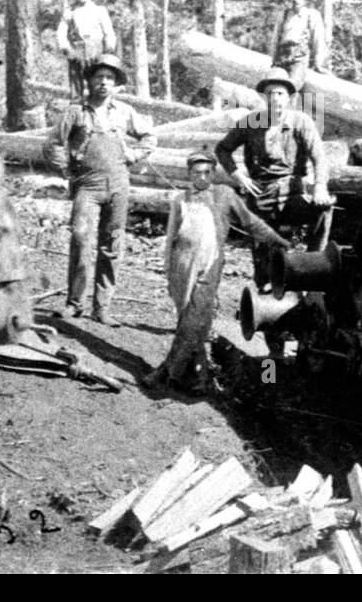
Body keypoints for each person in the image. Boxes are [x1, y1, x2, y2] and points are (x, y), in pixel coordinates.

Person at [143, 151, 292, 394]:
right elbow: (171, 236)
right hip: (182, 263)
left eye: (207, 172)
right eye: (196, 172)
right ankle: (201, 377)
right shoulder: (181, 199)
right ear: (188, 174)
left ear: (213, 173)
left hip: (210, 263)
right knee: (190, 319)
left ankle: (167, 371)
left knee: (195, 315)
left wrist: (278, 240)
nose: (202, 177)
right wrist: (167, 268)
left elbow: (251, 222)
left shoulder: (225, 195)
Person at [53, 54, 155, 327]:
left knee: (113, 246)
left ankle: (102, 307)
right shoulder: (75, 111)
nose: (103, 83)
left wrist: (133, 156)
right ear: (90, 81)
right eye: (98, 77)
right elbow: (52, 144)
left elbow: (149, 137)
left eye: (109, 78)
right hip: (87, 186)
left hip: (119, 186)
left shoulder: (124, 112)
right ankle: (75, 304)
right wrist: (66, 170)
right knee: (81, 241)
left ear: (116, 84)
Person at [214, 67, 333, 290]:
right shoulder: (251, 122)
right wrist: (238, 175)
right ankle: (264, 288)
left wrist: (319, 187)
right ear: (263, 97)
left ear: (289, 97)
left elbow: (319, 156)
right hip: (261, 194)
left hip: (292, 194)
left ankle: (313, 264)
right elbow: (222, 149)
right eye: (270, 94)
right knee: (262, 248)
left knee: (323, 210)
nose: (275, 98)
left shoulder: (301, 122)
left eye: (280, 93)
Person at [55, 0, 118, 100]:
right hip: (76, 50)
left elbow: (109, 33)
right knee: (76, 87)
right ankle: (78, 110)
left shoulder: (100, 11)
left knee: (97, 83)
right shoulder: (70, 12)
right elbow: (61, 33)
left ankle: (98, 109)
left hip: (96, 50)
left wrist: (108, 52)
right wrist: (67, 50)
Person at [269, 0, 326, 90]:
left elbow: (318, 40)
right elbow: (275, 38)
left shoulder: (312, 15)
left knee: (292, 87)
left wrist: (318, 63)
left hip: (299, 58)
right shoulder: (284, 15)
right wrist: (273, 59)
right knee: (273, 86)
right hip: (282, 57)